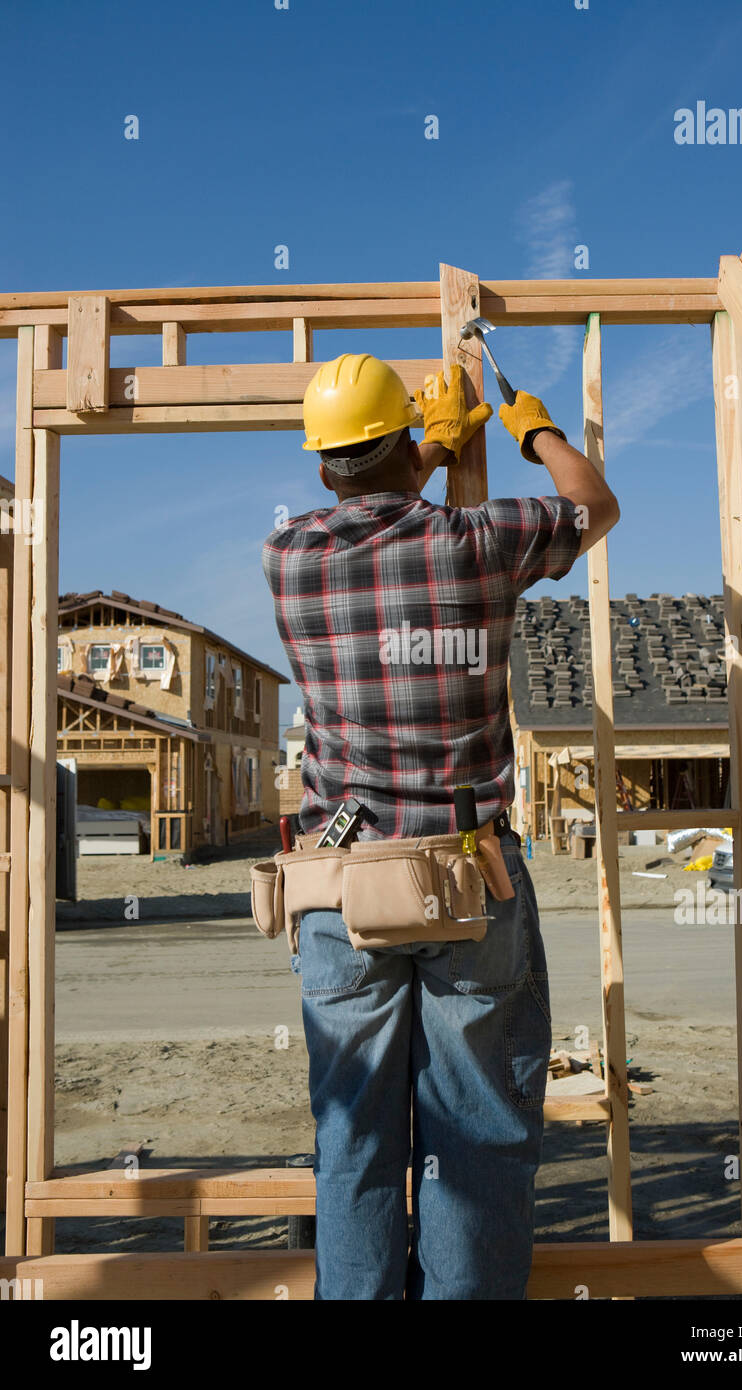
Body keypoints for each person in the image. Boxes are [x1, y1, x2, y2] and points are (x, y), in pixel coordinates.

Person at [262, 352, 619, 1299]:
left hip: (342, 884)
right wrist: (529, 428)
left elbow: (369, 497)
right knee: (476, 1137)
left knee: (354, 1143)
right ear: (392, 445)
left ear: (321, 463)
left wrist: (427, 446)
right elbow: (595, 506)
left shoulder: (287, 556)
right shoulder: (481, 541)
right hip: (466, 876)